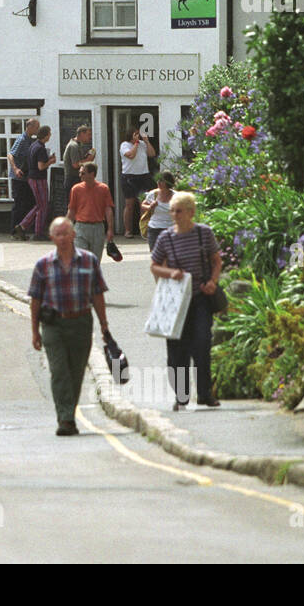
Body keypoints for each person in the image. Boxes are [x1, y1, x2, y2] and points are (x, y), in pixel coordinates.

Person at [28, 217, 111, 436]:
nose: (63, 238)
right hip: (53, 325)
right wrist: (35, 331)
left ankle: (69, 415)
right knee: (59, 372)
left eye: (66, 233)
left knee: (75, 374)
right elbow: (35, 300)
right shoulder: (43, 265)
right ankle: (65, 419)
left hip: (81, 322)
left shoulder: (89, 261)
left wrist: (104, 326)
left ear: (74, 235)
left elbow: (98, 295)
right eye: (58, 234)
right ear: (52, 238)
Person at [150, 192, 223, 411]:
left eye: (178, 211)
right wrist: (170, 273)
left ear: (191, 212)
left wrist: (213, 281)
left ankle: (204, 394)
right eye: (172, 210)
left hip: (200, 297)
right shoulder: (165, 238)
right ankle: (181, 397)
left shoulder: (204, 233)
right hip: (176, 302)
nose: (174, 215)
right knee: (176, 351)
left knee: (202, 344)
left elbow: (216, 260)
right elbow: (154, 265)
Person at [15, 126, 56, 241]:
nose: (50, 135)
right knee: (43, 206)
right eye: (50, 133)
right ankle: (38, 233)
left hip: (32, 178)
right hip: (38, 179)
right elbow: (41, 166)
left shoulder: (33, 145)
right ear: (46, 135)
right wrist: (51, 161)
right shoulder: (40, 148)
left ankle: (22, 226)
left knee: (39, 205)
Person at [66, 162, 114, 259]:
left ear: (92, 174)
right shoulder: (76, 189)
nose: (80, 175)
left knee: (94, 262)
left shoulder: (103, 189)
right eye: (80, 173)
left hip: (98, 228)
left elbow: (108, 209)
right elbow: (71, 210)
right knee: (82, 260)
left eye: (83, 173)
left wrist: (110, 229)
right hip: (80, 227)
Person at [120, 127, 157, 237]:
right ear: (130, 135)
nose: (138, 136)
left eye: (138, 134)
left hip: (143, 176)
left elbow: (152, 154)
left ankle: (143, 230)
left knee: (143, 204)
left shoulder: (142, 143)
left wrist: (146, 141)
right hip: (129, 177)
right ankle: (128, 230)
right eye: (135, 134)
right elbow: (131, 155)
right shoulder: (124, 145)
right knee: (129, 205)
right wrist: (136, 143)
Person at [7, 118, 41, 236]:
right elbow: (11, 154)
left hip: (27, 178)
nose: (38, 129)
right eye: (37, 127)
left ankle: (21, 230)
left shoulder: (31, 140)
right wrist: (15, 169)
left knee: (28, 203)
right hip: (18, 178)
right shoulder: (21, 139)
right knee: (19, 205)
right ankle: (13, 231)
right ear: (30, 127)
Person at [141, 171, 177, 252]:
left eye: (161, 181)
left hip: (171, 228)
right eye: (158, 180)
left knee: (170, 254)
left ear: (168, 182)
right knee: (155, 254)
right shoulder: (153, 194)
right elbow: (143, 205)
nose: (159, 183)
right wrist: (150, 207)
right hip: (154, 227)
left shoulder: (176, 196)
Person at [61, 125, 96, 195]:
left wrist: (87, 157)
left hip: (76, 179)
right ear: (82, 134)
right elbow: (75, 165)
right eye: (88, 134)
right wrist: (88, 160)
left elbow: (80, 161)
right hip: (72, 180)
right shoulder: (74, 146)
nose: (90, 137)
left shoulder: (78, 145)